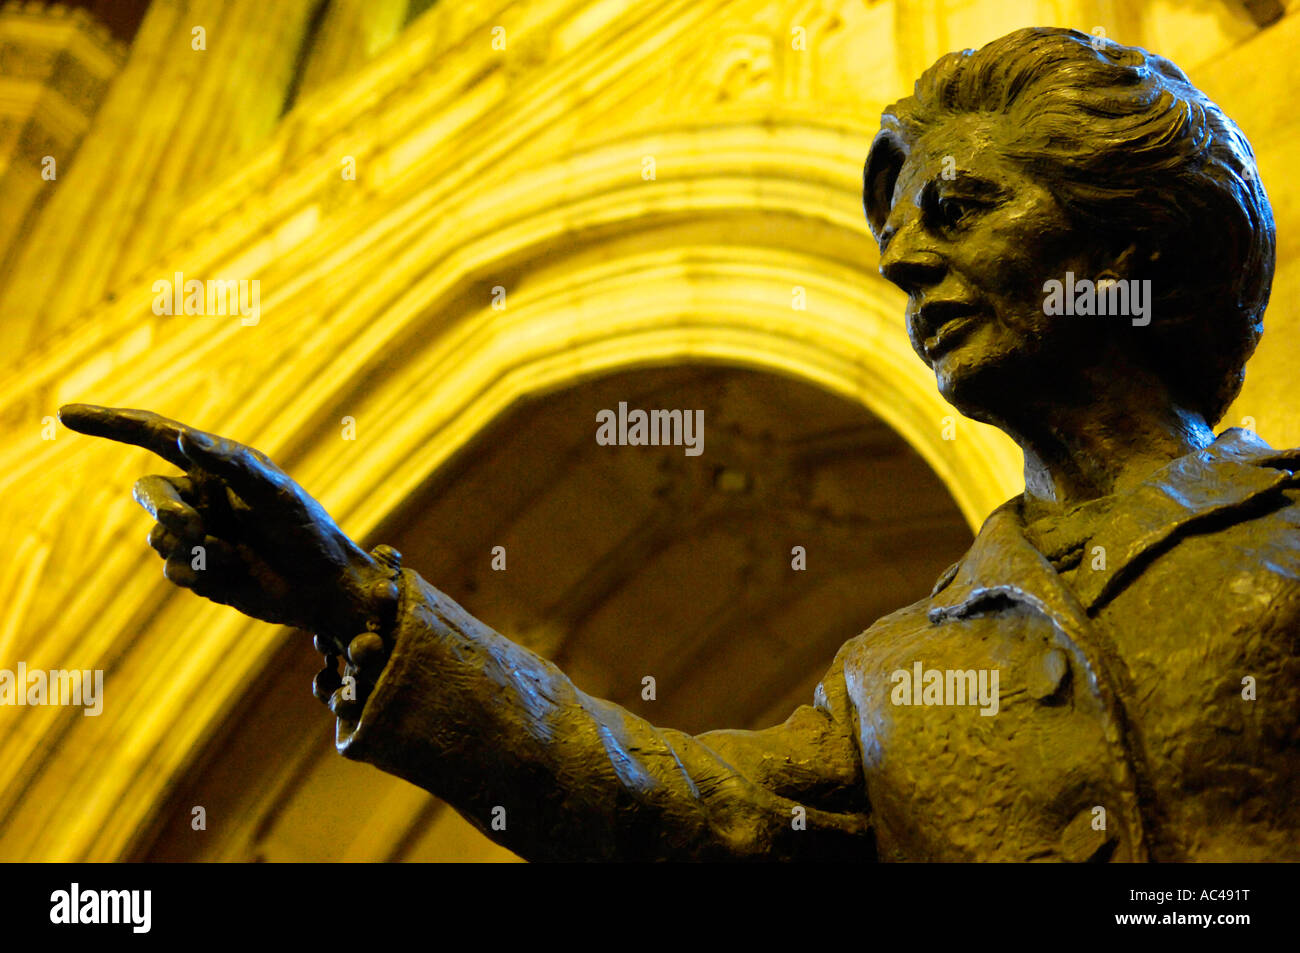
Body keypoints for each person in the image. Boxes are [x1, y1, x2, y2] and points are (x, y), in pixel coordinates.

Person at [62, 27, 1300, 861]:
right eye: (898, 236)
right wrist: (349, 598)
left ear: (1132, 249)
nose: (909, 259)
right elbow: (669, 806)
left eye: (961, 206)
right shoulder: (895, 670)